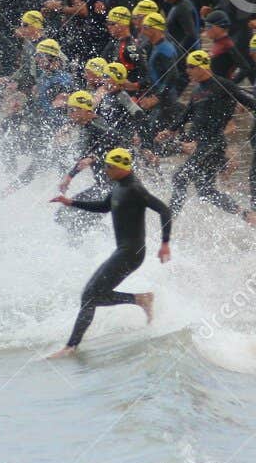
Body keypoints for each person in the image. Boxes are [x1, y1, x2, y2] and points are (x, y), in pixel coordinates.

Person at [47, 146, 172, 358]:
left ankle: (70, 347)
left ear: (122, 167)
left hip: (131, 253)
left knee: (89, 296)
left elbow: (164, 210)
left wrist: (165, 243)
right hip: (124, 252)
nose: (105, 170)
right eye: (105, 165)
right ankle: (140, 299)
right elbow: (104, 207)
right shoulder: (118, 186)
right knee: (93, 296)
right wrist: (71, 202)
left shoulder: (134, 188)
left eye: (109, 167)